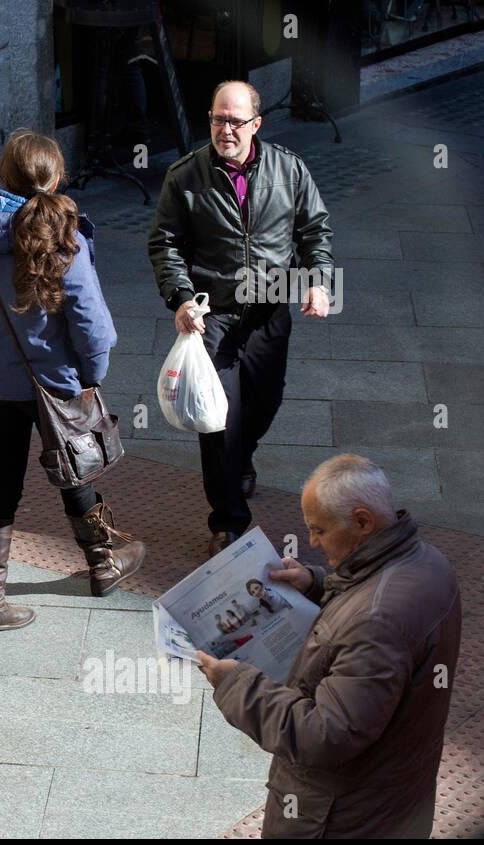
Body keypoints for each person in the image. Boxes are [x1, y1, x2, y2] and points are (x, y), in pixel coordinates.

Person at [198, 455, 462, 838]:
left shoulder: (376, 620)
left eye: (319, 529)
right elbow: (373, 598)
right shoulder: (430, 565)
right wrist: (316, 583)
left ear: (362, 521)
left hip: (337, 820)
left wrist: (237, 685)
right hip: (394, 800)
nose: (312, 541)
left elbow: (327, 735)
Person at [0, 129, 145, 636]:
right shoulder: (66, 236)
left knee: (4, 482)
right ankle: (102, 562)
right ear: (55, 175)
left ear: (4, 173)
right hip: (58, 380)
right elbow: (91, 323)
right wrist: (91, 377)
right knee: (75, 465)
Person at [148, 80, 334, 557]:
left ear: (256, 123)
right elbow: (165, 243)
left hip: (270, 308)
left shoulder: (288, 170)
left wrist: (316, 281)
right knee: (218, 420)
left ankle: (242, 457)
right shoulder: (185, 175)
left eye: (234, 120)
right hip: (216, 315)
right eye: (216, 119)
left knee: (263, 403)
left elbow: (314, 230)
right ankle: (228, 521)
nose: (224, 129)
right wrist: (182, 299)